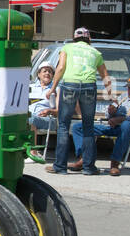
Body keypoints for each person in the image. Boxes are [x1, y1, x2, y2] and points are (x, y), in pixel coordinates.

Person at [45, 27, 112, 175]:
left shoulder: (67, 48)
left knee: (63, 125)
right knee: (88, 126)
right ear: (89, 39)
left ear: (74, 38)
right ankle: (89, 167)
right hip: (89, 86)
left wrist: (52, 88)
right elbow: (105, 75)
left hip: (69, 85)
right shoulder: (95, 52)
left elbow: (61, 67)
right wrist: (111, 94)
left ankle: (60, 166)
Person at [67, 74, 130, 176]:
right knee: (78, 127)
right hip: (114, 126)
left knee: (126, 125)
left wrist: (123, 119)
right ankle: (84, 159)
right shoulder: (123, 96)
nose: (129, 90)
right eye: (128, 87)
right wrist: (111, 112)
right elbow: (108, 113)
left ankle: (115, 163)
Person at [29, 64, 58, 134]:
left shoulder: (56, 89)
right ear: (38, 74)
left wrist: (49, 111)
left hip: (48, 119)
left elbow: (59, 111)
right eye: (44, 71)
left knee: (30, 119)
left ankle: (33, 144)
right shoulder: (30, 87)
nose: (47, 73)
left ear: (53, 76)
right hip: (30, 116)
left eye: (50, 72)